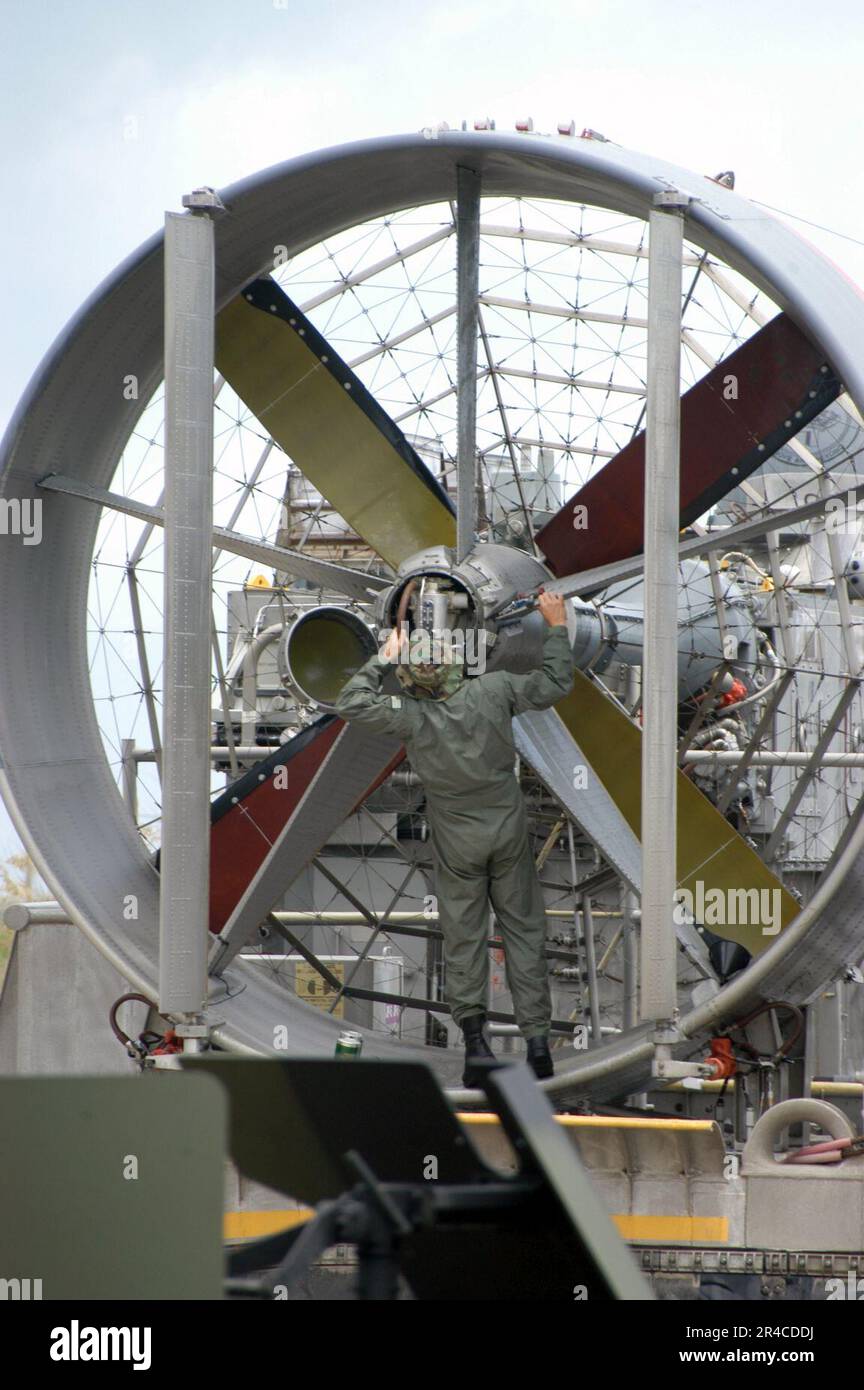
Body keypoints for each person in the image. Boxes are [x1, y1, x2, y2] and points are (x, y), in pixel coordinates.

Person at [333, 589, 574, 1086]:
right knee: (524, 935)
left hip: (457, 846)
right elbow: (556, 681)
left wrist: (383, 658)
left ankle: (477, 1047)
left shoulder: (410, 718)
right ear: (455, 664)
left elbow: (350, 701)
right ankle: (536, 1045)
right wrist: (556, 625)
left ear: (412, 680)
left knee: (464, 943)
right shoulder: (496, 690)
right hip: (507, 834)